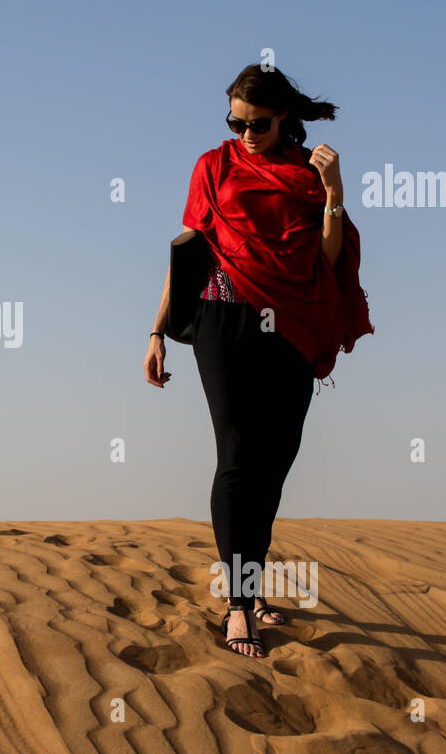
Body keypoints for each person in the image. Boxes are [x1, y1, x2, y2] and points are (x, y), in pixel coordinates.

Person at [143, 64, 374, 659]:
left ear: (283, 119)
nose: (245, 133)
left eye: (258, 124)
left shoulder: (305, 174)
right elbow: (190, 245)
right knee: (238, 457)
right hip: (225, 317)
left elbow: (325, 259)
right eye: (235, 122)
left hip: (292, 326)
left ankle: (252, 574)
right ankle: (240, 605)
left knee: (275, 461)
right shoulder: (213, 166)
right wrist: (157, 330)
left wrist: (335, 193)